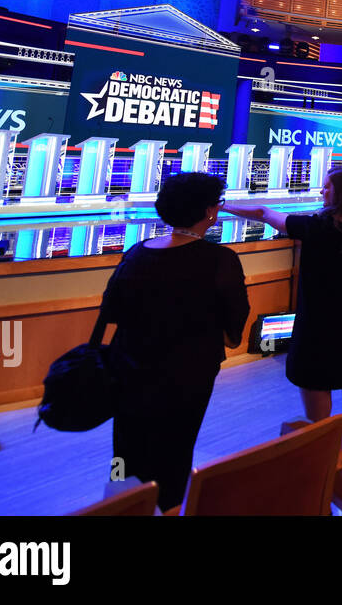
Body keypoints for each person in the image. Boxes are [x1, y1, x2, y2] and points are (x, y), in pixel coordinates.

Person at [98, 171, 249, 513]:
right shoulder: (220, 260)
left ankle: (122, 502)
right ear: (210, 212)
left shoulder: (136, 254)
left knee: (124, 449)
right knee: (177, 447)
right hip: (188, 376)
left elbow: (112, 310)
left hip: (130, 369)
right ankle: (168, 507)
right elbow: (233, 322)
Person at [223, 166, 342, 423]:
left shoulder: (312, 227)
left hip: (316, 330)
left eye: (327, 186)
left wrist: (223, 206)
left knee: (318, 419)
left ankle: (324, 459)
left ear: (341, 193)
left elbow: (264, 213)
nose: (322, 190)